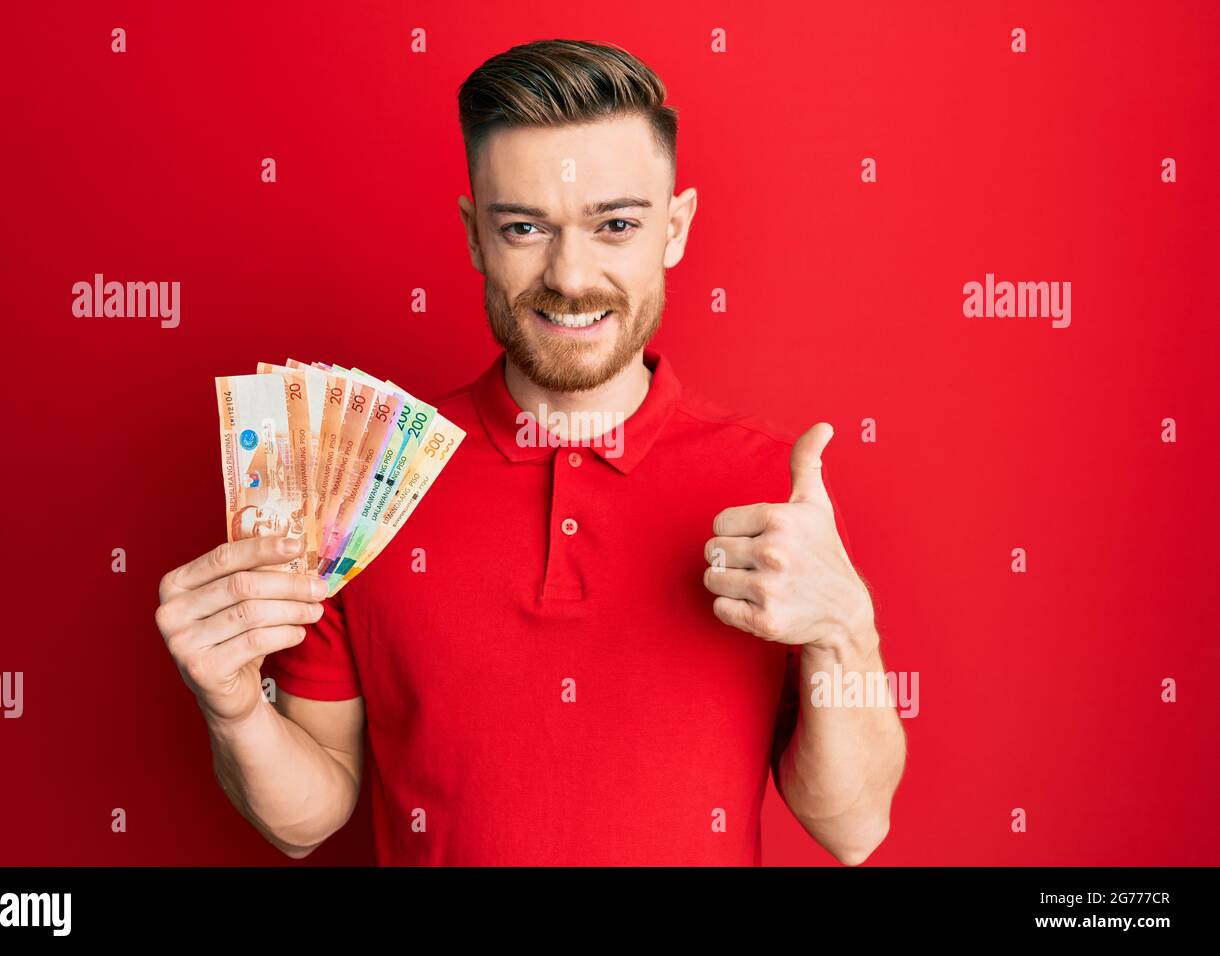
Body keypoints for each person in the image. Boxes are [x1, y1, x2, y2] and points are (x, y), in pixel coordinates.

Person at [155, 38, 906, 866]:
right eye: (525, 228)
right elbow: (308, 817)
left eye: (615, 224)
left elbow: (855, 826)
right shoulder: (370, 478)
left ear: (677, 228)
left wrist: (848, 632)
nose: (571, 275)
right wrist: (232, 708)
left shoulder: (774, 489)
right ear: (476, 236)